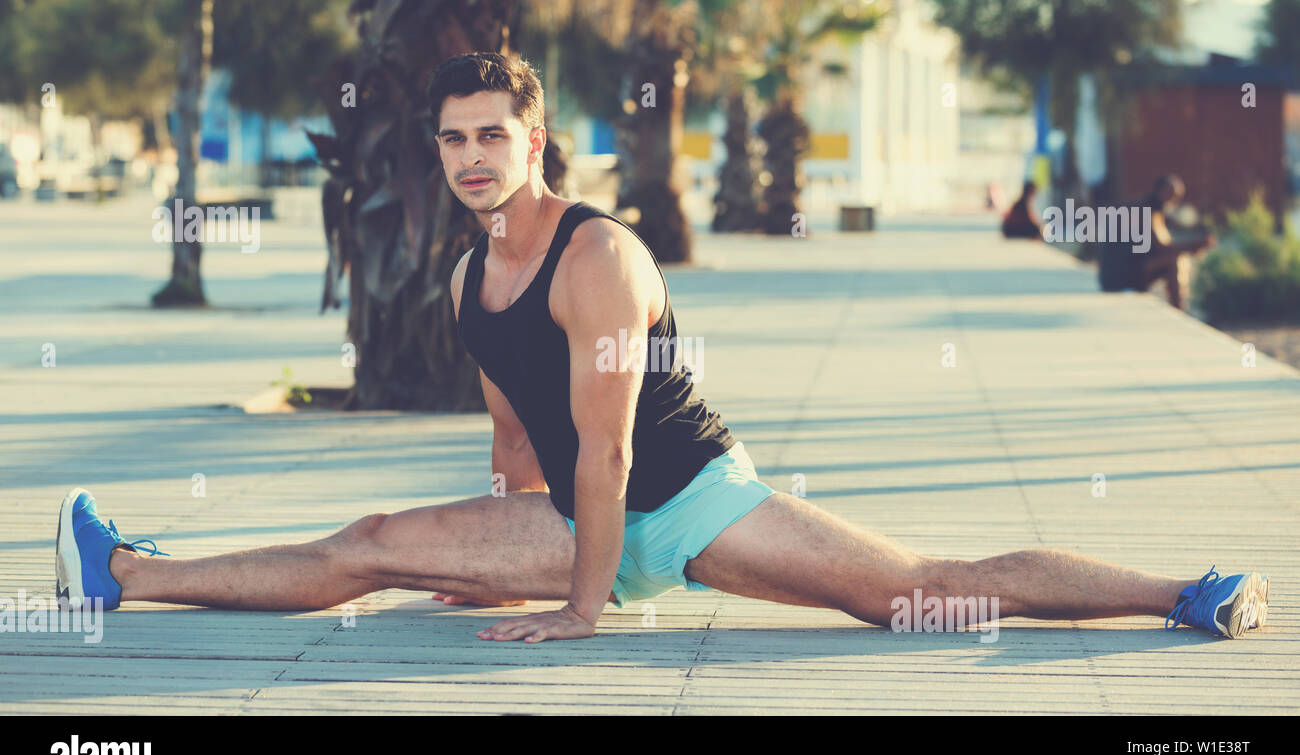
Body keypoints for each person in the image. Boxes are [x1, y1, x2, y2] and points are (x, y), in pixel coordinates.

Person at [54, 53, 1268, 643]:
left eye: (492, 135)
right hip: (580, 515)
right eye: (451, 140)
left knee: (912, 593)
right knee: (370, 544)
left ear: (536, 141)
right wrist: (491, 549)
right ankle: (129, 575)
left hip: (689, 499)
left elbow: (615, 448)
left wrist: (583, 604)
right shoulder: (474, 273)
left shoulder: (601, 260)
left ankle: (1184, 593)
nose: (471, 156)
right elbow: (518, 442)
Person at [1098, 175, 1216, 310]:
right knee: (1172, 261)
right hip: (1117, 278)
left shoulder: (1152, 209)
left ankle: (1178, 306)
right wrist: (1195, 245)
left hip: (1124, 273)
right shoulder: (1145, 211)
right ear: (1159, 191)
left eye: (1177, 197)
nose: (1174, 201)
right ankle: (1179, 309)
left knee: (1174, 258)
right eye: (1171, 195)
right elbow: (1163, 248)